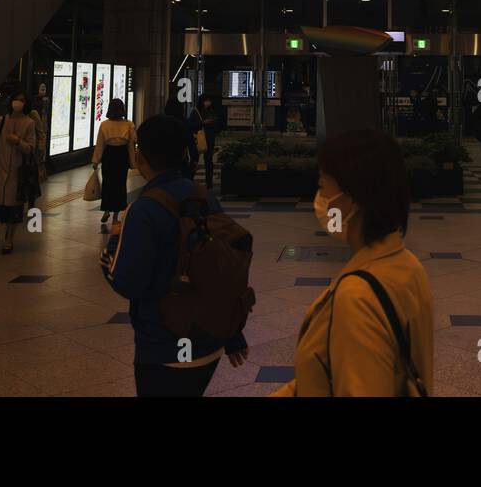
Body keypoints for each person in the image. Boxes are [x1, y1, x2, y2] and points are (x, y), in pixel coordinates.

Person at [274, 128, 434, 395]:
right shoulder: (408, 265)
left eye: (323, 187)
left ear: (352, 199)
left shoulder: (357, 297)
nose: (321, 200)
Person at [102, 115, 250, 396]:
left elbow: (127, 281)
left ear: (140, 157)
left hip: (163, 347)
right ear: (184, 154)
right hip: (209, 344)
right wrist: (232, 334)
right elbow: (221, 267)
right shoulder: (204, 196)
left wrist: (113, 244)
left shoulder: (143, 210)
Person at [0, 90, 39, 255]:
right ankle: (8, 234)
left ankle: (9, 239)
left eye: (22, 100)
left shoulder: (29, 123)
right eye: (16, 99)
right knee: (3, 208)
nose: (18, 103)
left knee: (14, 208)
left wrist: (18, 142)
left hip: (18, 173)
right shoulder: (1, 121)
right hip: (0, 170)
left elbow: (31, 148)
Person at [91, 98, 137, 230]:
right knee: (120, 184)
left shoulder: (104, 125)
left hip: (109, 156)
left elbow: (100, 144)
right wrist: (133, 162)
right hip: (122, 156)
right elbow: (132, 142)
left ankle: (106, 210)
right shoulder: (128, 124)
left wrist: (95, 161)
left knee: (107, 183)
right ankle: (116, 216)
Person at [188, 93, 220, 190]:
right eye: (206, 100)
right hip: (198, 139)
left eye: (209, 100)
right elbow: (191, 125)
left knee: (209, 162)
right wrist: (203, 123)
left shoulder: (211, 111)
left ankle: (209, 183)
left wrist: (213, 122)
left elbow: (216, 124)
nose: (208, 102)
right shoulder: (196, 112)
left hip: (208, 139)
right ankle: (189, 180)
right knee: (195, 160)